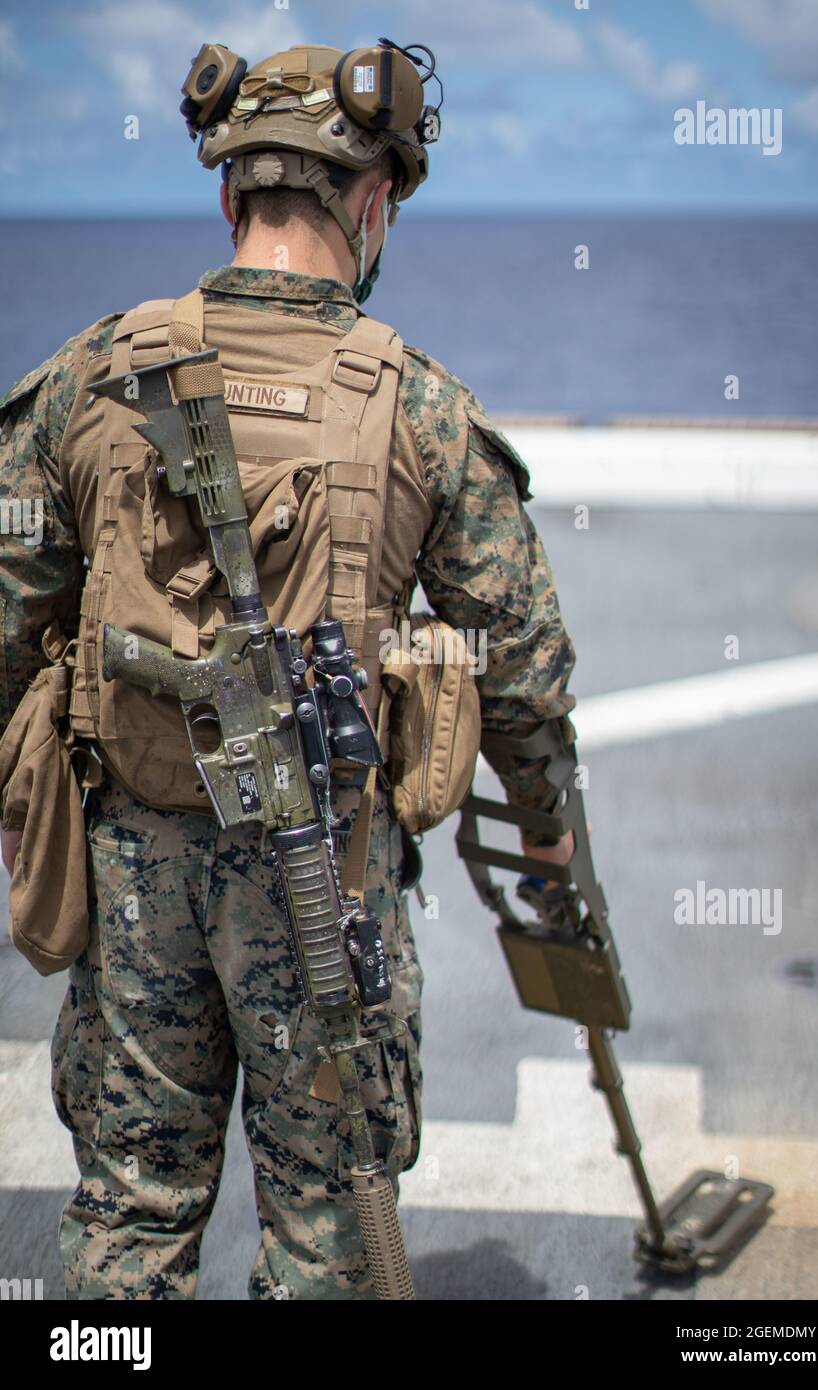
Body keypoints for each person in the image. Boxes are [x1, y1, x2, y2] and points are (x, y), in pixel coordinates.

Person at [0, 40, 576, 1300]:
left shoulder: (91, 378)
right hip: (327, 881)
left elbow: (6, 617)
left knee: (130, 1208)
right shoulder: (418, 408)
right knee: (327, 1229)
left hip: (131, 874)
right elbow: (519, 664)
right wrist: (544, 842)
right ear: (370, 202)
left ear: (230, 199)